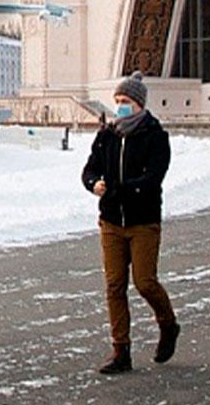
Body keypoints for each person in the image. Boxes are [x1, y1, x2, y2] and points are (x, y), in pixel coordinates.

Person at [81, 73, 179, 375]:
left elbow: (152, 179)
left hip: (142, 221)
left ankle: (168, 324)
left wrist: (118, 188)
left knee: (145, 281)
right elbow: (89, 170)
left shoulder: (155, 136)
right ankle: (120, 349)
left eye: (125, 101)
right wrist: (94, 183)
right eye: (118, 101)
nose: (120, 106)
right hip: (111, 220)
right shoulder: (107, 135)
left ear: (139, 104)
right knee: (114, 285)